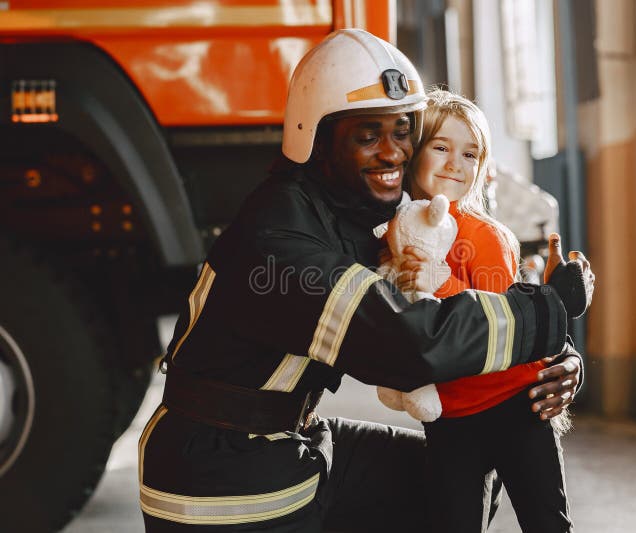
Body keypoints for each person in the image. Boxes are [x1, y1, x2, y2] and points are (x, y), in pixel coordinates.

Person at [138, 29, 592, 532]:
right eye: (368, 135)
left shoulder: (353, 205)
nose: (393, 153)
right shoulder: (278, 237)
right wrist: (547, 311)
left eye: (402, 131)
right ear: (317, 139)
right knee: (449, 480)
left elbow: (477, 293)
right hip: (220, 472)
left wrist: (556, 358)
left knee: (458, 477)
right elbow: (410, 341)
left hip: (291, 433)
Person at [386, 89, 586, 532]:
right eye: (441, 147)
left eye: (470, 154)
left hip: (516, 405)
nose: (456, 164)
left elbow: (499, 320)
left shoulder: (484, 235)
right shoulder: (394, 233)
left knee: (546, 522)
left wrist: (438, 280)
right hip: (451, 416)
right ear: (414, 153)